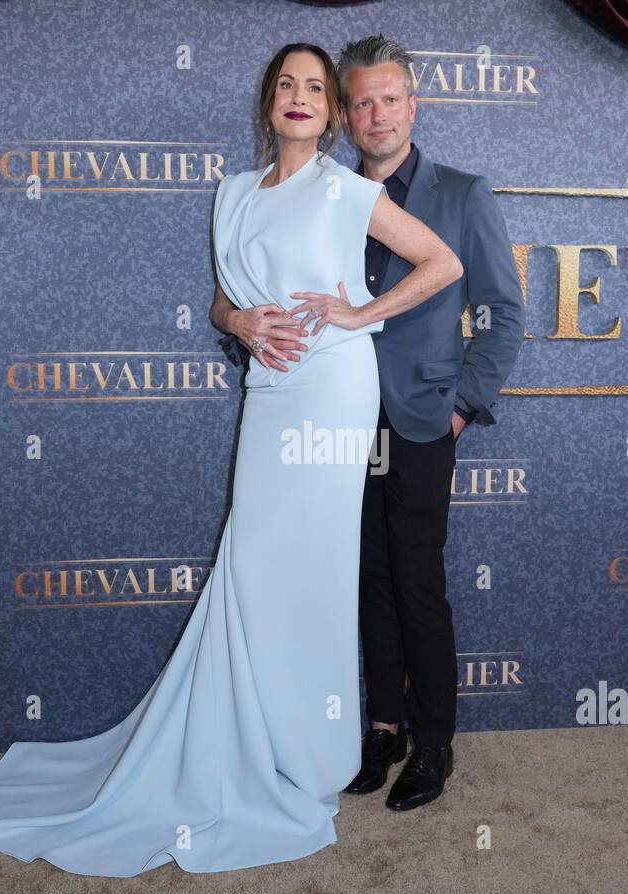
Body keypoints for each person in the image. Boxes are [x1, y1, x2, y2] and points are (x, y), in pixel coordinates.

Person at [0, 42, 461, 877]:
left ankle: (308, 753)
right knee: (251, 566)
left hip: (333, 395)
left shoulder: (349, 189)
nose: (301, 98)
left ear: (333, 113)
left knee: (311, 572)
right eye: (288, 86)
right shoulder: (232, 193)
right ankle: (253, 737)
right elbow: (224, 297)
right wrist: (235, 325)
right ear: (267, 105)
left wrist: (358, 315)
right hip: (270, 397)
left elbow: (442, 263)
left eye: (316, 88)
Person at [217, 35, 526, 812]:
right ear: (346, 117)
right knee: (364, 581)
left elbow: (504, 312)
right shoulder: (325, 190)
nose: (377, 114)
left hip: (420, 420)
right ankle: (381, 730)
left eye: (391, 99)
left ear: (413, 106)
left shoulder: (462, 192)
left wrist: (462, 405)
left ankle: (435, 745)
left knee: (417, 582)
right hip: (332, 417)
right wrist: (246, 322)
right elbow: (261, 296)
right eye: (362, 102)